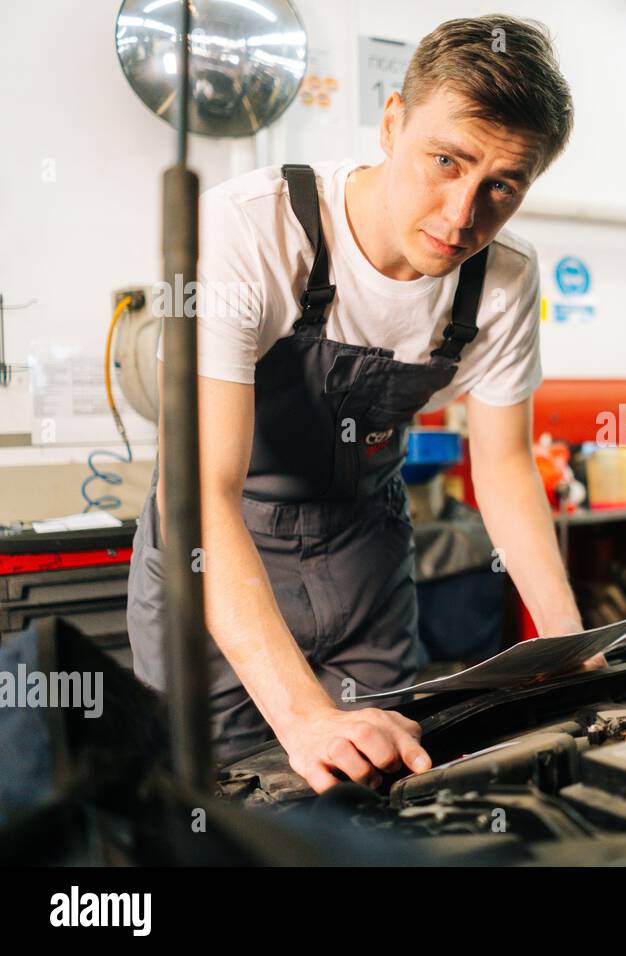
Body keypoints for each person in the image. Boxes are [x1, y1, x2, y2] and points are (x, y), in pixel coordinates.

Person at [127, 15, 587, 793]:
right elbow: (199, 493)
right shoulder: (256, 228)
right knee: (226, 804)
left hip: (366, 564)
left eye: (502, 186)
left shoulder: (502, 279)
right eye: (446, 160)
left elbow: (504, 470)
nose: (461, 214)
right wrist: (303, 716)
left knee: (383, 791)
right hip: (225, 568)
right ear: (392, 122)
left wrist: (575, 651)